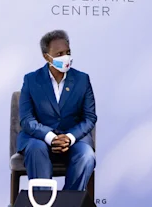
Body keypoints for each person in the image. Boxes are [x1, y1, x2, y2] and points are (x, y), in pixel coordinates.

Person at [18, 30, 97, 191]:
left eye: (68, 52)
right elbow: (26, 119)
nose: (65, 57)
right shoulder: (31, 80)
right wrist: (50, 137)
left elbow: (89, 117)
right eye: (59, 53)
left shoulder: (82, 79)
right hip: (39, 139)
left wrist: (68, 137)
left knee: (86, 155)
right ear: (47, 57)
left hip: (73, 139)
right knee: (36, 149)